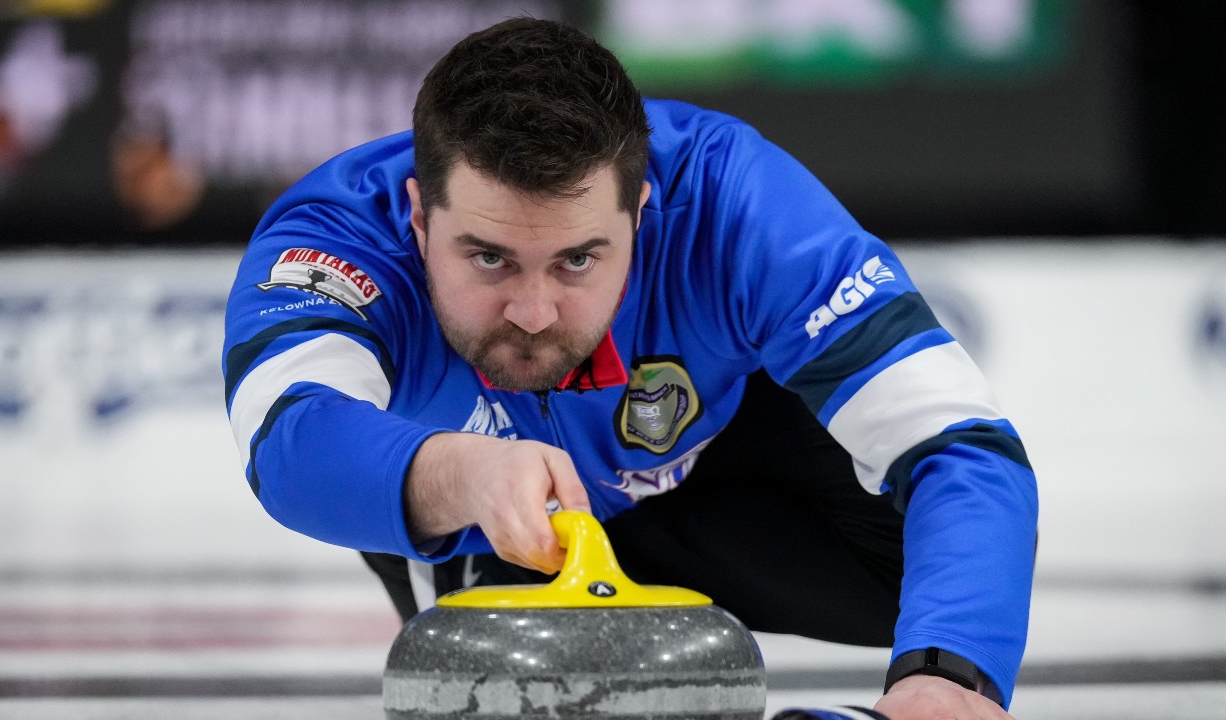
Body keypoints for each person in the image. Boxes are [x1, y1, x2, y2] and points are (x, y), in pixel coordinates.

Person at [221, 18, 1037, 720]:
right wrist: (455, 474)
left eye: (578, 258)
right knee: (510, 673)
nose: (533, 312)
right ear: (416, 216)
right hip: (488, 521)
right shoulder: (335, 239)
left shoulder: (737, 205)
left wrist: (947, 678)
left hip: (724, 463)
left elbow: (959, 445)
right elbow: (287, 436)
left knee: (938, 572)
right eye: (490, 258)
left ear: (641, 209)